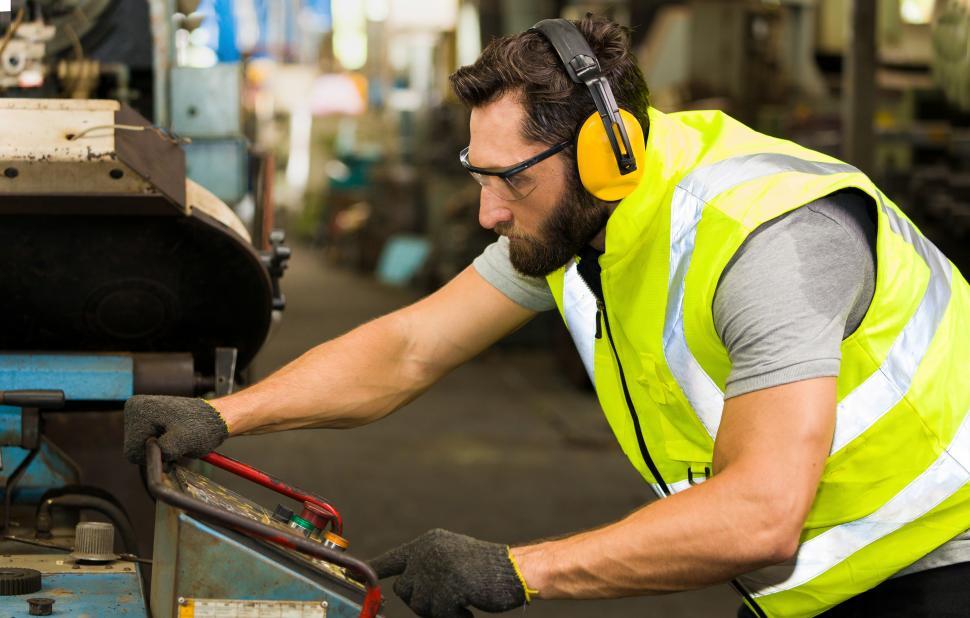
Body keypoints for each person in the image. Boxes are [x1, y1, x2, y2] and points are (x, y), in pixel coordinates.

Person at [124, 15, 970, 618]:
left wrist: (517, 570)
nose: (489, 212)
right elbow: (412, 347)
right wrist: (219, 416)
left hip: (941, 569)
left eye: (512, 181)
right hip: (816, 587)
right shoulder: (578, 226)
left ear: (610, 155)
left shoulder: (767, 240)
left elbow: (760, 512)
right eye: (478, 176)